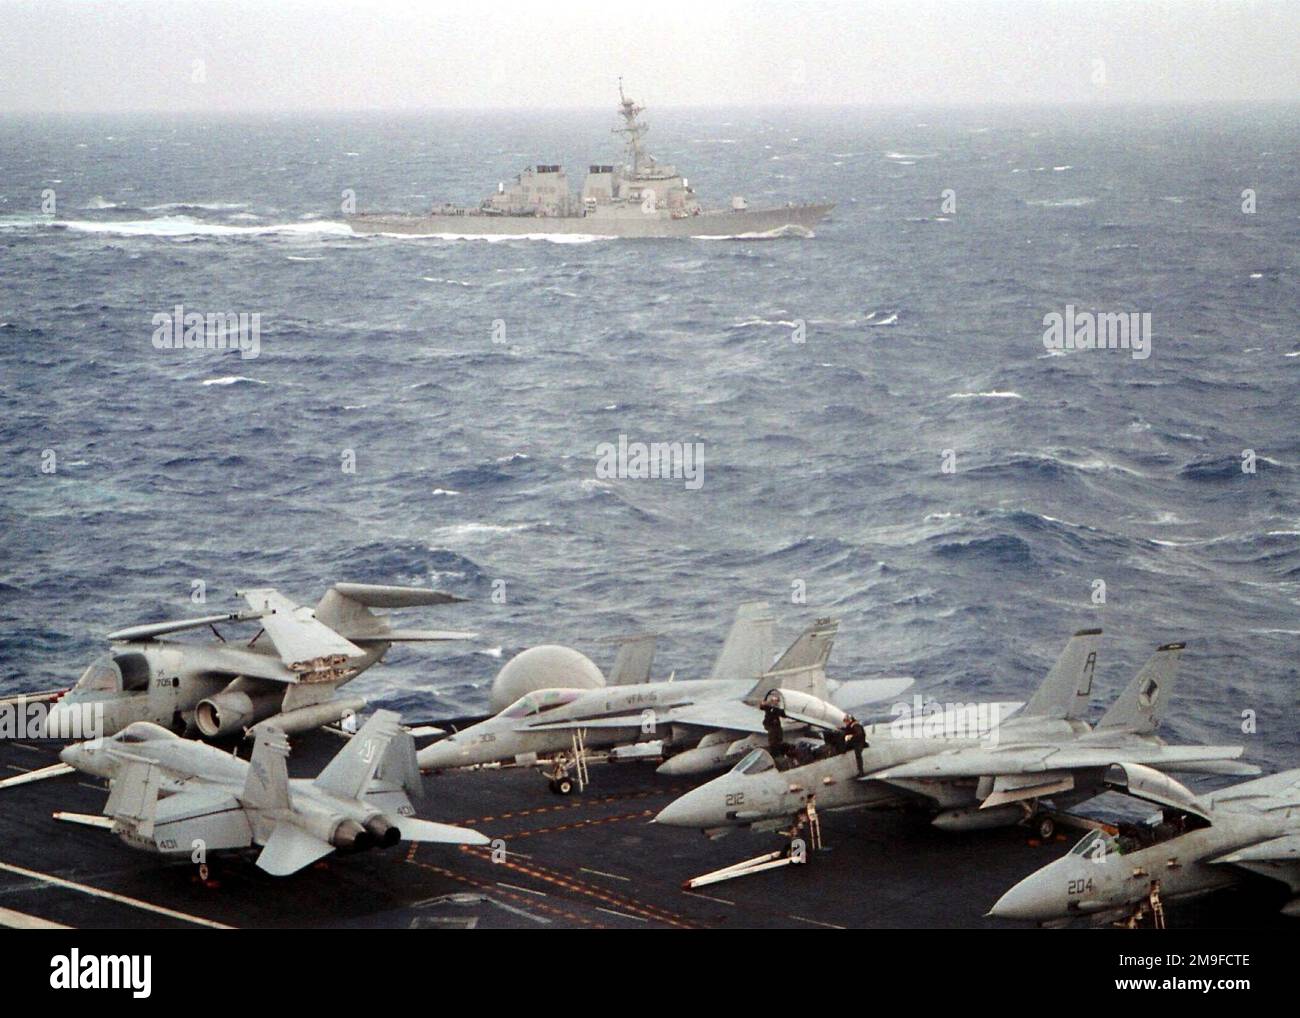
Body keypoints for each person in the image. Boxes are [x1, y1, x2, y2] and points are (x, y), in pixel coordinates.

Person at [761, 690, 788, 755]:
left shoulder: (775, 709)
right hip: (772, 726)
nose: (776, 703)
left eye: (777, 701)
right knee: (774, 741)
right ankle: (775, 753)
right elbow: (762, 706)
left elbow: (783, 714)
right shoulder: (769, 708)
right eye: (775, 701)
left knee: (778, 738)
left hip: (775, 726)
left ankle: (777, 752)